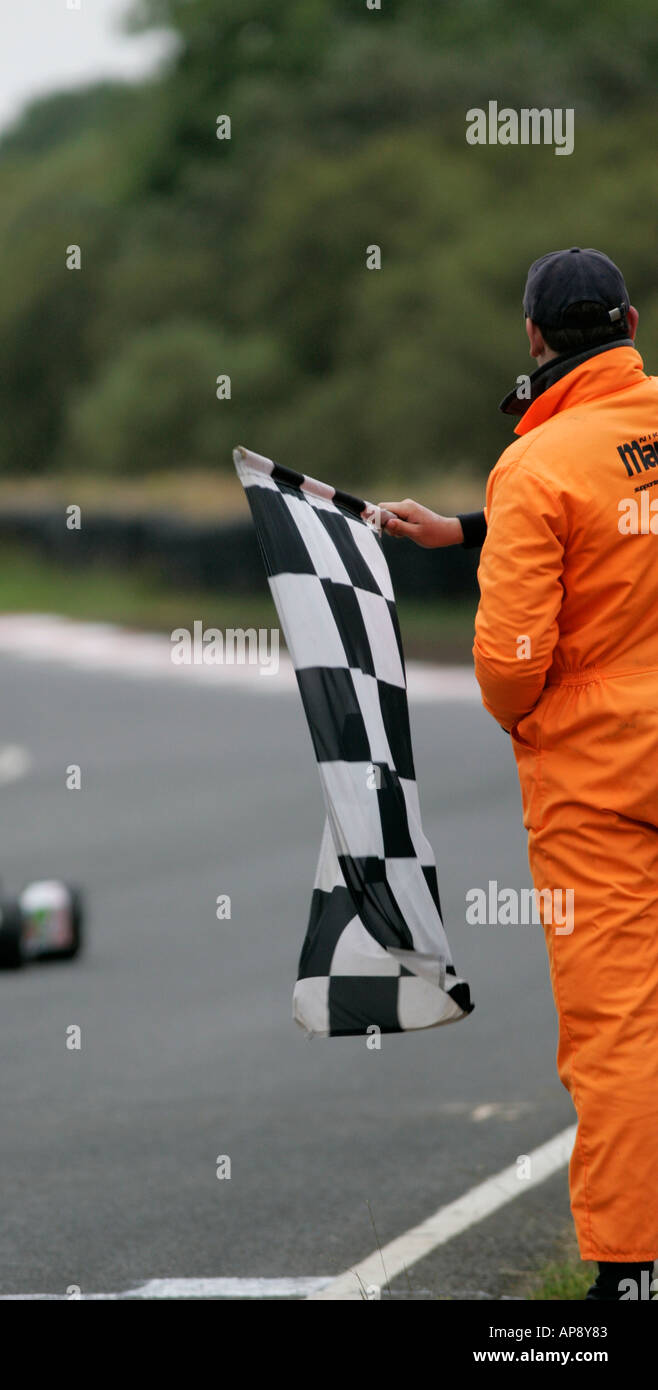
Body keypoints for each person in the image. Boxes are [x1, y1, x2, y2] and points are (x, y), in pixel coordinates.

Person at [381, 248, 658, 1302]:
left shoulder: (535, 466)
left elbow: (504, 667)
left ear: (536, 340)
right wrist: (464, 535)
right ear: (628, 322)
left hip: (596, 783)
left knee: (618, 1024)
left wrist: (533, 714)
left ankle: (631, 1274)